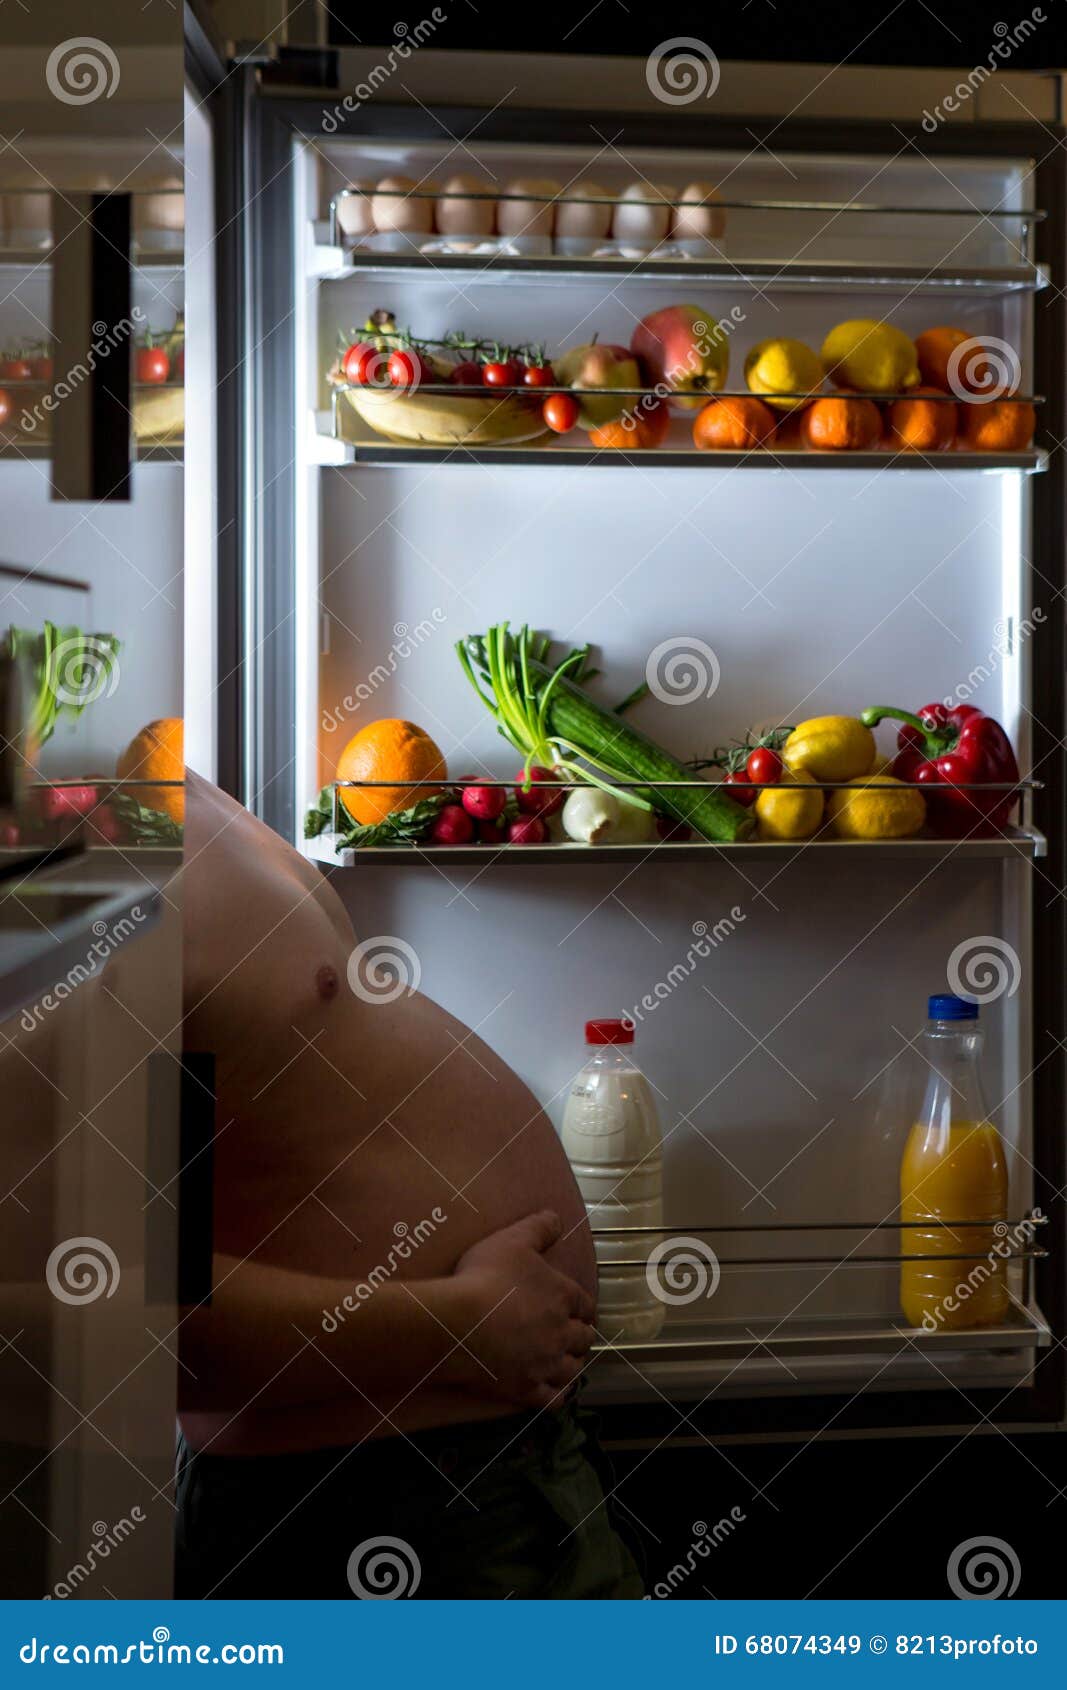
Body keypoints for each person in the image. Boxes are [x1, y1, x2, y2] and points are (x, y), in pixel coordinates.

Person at [174, 770, 643, 1599]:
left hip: (488, 1465)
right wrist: (455, 1326)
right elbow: (98, 1297)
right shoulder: (59, 851)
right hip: (367, 1505)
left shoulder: (152, 782)